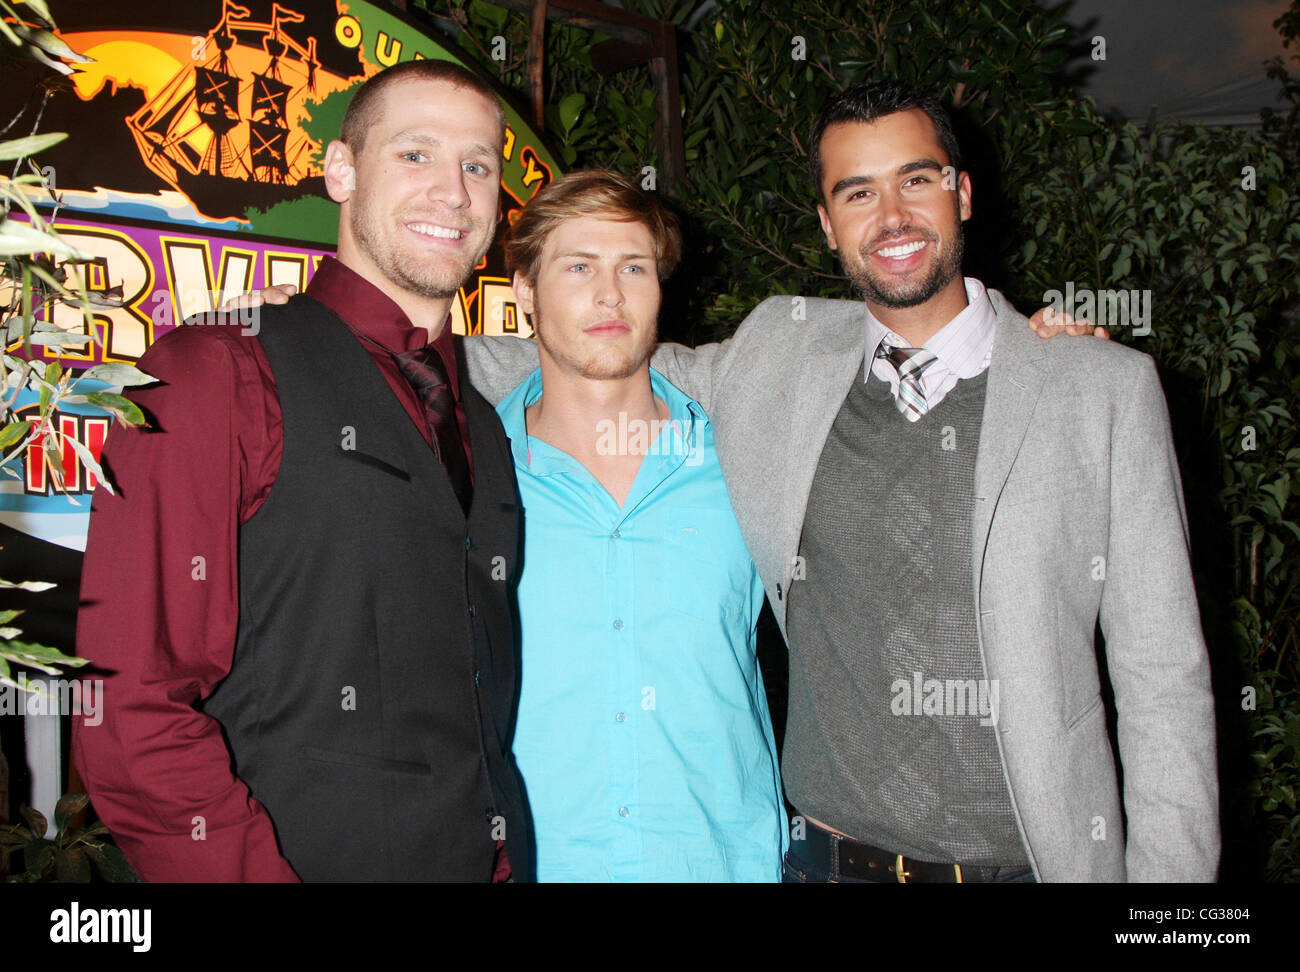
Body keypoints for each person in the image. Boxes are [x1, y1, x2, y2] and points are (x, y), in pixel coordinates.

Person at [465, 81, 1218, 882]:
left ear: (962, 194)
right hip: (826, 863)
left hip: (1034, 865)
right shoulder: (778, 362)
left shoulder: (1094, 389)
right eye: (858, 192)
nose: (891, 215)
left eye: (916, 179)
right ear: (828, 225)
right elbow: (595, 353)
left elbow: (1165, 680)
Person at [71, 59, 532, 882]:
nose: (454, 192)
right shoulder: (215, 373)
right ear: (341, 171)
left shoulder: (486, 426)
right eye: (416, 154)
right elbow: (130, 708)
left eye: (478, 166)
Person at [491, 169, 785, 880]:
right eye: (578, 266)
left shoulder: (748, 459)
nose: (609, 294)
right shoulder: (469, 475)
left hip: (723, 864)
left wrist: (1025, 344)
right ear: (526, 289)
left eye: (633, 267)